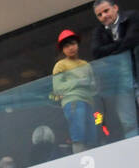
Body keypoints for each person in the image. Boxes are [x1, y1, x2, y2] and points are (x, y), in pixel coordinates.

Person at [91, 1, 139, 138]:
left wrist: (110, 50)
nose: (104, 16)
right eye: (99, 15)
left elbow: (133, 39)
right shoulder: (98, 31)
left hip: (137, 72)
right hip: (120, 83)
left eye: (106, 11)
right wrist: (120, 46)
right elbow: (96, 52)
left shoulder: (132, 17)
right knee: (128, 122)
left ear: (115, 8)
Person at [52, 30, 102, 153]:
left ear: (77, 44)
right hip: (73, 101)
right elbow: (57, 88)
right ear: (62, 50)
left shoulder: (86, 65)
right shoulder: (60, 65)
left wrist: (90, 84)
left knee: (92, 134)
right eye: (66, 46)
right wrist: (79, 82)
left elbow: (94, 86)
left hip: (89, 102)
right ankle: (79, 159)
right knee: (79, 132)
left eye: (72, 44)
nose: (71, 48)